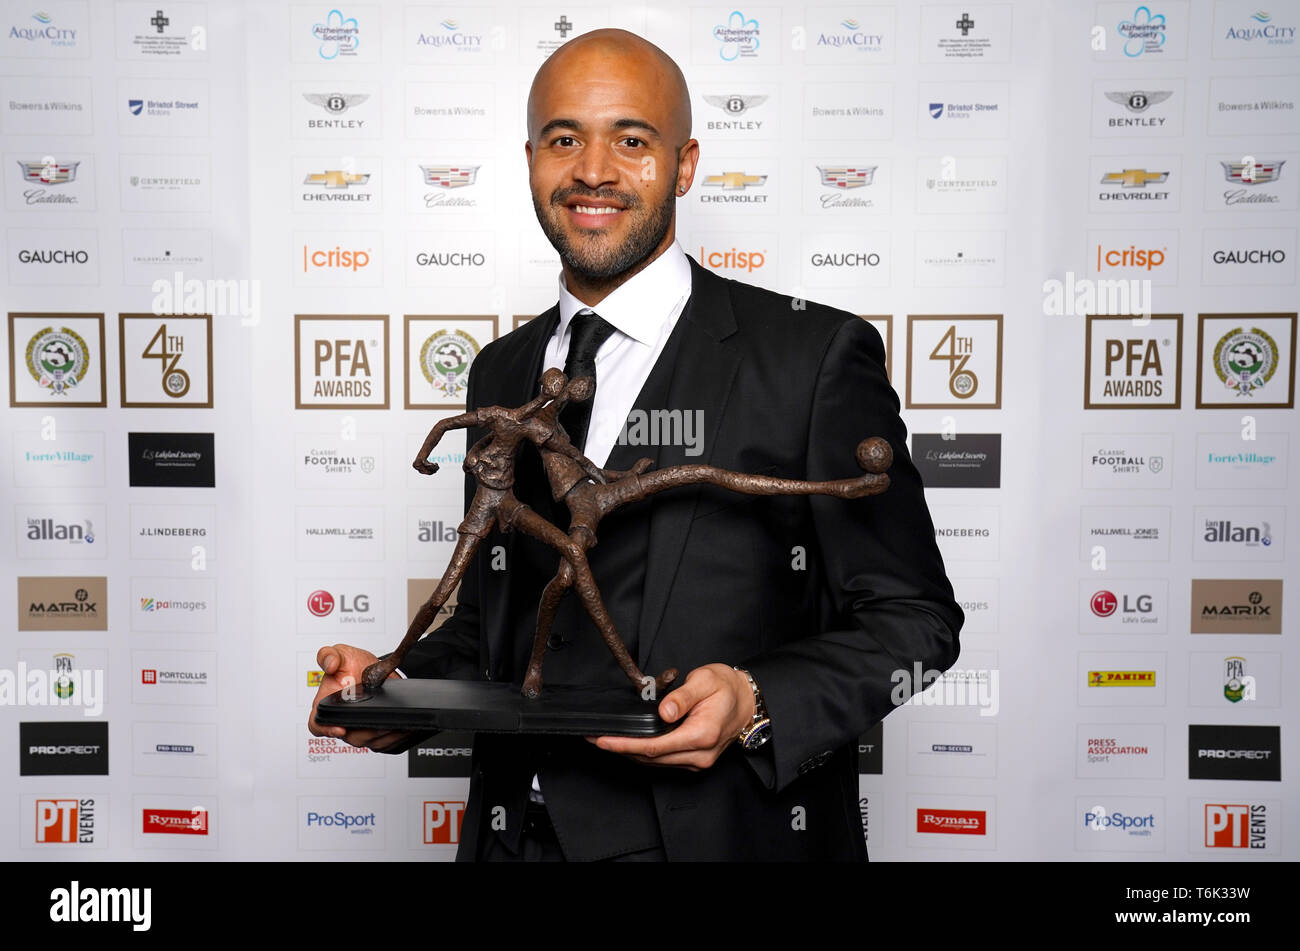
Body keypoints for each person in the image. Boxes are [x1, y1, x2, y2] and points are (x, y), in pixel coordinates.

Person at [309, 28, 962, 861]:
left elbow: (915, 620)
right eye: (564, 139)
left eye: (631, 139)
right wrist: (393, 692)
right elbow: (489, 627)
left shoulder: (810, 356)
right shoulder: (500, 370)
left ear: (684, 164)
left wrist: (755, 695)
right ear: (531, 159)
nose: (592, 170)